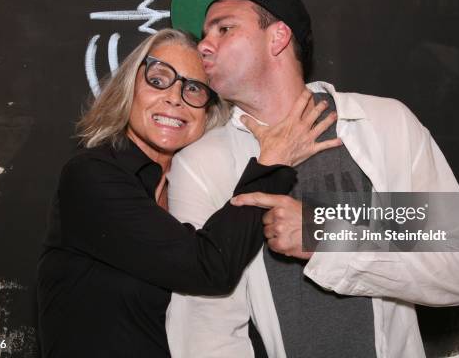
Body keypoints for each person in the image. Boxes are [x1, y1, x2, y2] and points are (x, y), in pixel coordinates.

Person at [166, 0, 459, 357]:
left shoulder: (385, 125)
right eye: (203, 35)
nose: (204, 45)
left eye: (224, 29)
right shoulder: (202, 163)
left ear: (278, 37)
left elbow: (455, 269)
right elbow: (204, 328)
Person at [36, 28, 341, 357]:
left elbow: (402, 229)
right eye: (158, 78)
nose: (175, 97)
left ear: (279, 36)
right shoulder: (90, 176)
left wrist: (321, 227)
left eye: (194, 88)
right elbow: (206, 266)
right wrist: (273, 164)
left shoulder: (377, 121)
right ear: (129, 86)